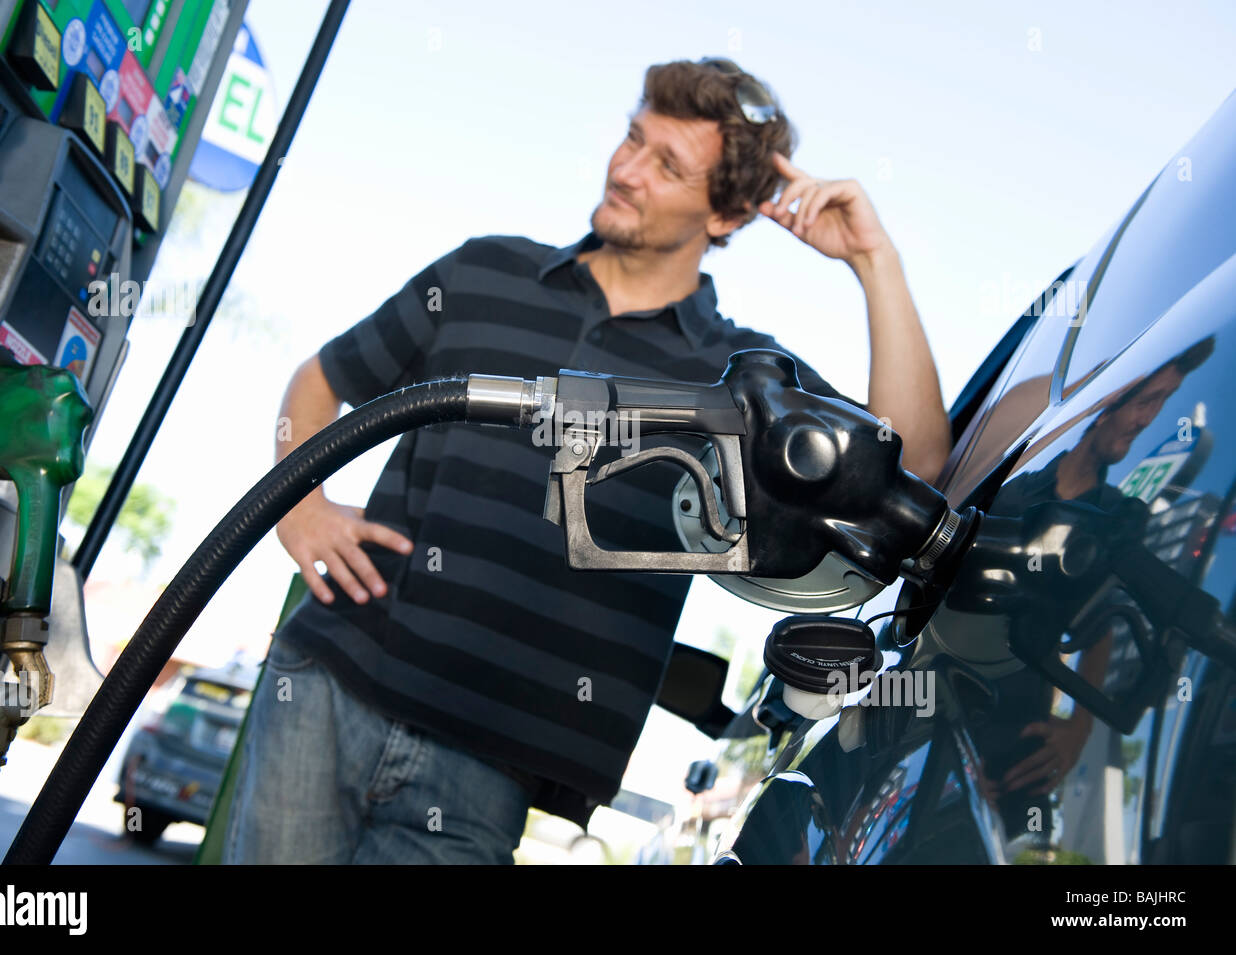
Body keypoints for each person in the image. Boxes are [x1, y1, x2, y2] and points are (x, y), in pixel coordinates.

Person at [223, 57, 951, 864]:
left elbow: (910, 467)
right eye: (633, 138)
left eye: (667, 165)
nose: (627, 169)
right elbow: (320, 381)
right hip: (330, 680)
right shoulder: (484, 269)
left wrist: (872, 261)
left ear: (728, 214)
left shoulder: (744, 378)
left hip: (493, 759)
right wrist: (301, 509)